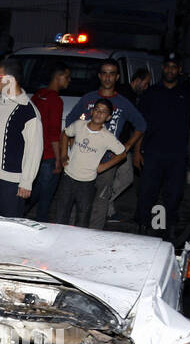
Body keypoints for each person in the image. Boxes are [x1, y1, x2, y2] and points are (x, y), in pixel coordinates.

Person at [65, 60, 145, 228]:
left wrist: (128, 146)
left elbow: (141, 124)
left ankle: (94, 237)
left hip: (106, 162)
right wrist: (72, 143)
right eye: (105, 73)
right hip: (82, 161)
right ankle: (71, 234)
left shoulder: (123, 102)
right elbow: (71, 120)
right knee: (76, 201)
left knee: (101, 201)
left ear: (117, 77)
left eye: (112, 73)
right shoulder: (89, 98)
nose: (108, 77)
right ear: (100, 76)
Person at [134, 52, 190, 241]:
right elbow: (141, 124)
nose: (170, 70)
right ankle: (143, 227)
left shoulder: (187, 93)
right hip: (153, 151)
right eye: (167, 66)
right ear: (163, 69)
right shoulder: (151, 92)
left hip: (178, 153)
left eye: (174, 67)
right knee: (148, 191)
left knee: (174, 193)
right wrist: (137, 151)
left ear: (179, 70)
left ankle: (166, 228)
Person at [0, 59, 43, 217]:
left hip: (10, 183)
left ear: (10, 79)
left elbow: (34, 149)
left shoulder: (27, 111)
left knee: (10, 228)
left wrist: (26, 182)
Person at [54, 98, 126, 226]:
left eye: (104, 112)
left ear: (108, 117)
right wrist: (64, 154)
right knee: (61, 214)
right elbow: (65, 134)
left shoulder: (107, 137)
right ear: (92, 112)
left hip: (87, 183)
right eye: (97, 109)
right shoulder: (79, 125)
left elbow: (122, 153)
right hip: (68, 177)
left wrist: (103, 166)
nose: (99, 113)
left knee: (82, 218)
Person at [29, 61, 69, 223]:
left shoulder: (37, 95)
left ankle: (19, 214)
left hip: (36, 152)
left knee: (37, 190)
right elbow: (54, 132)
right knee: (46, 198)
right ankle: (41, 227)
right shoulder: (55, 100)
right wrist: (59, 159)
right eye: (67, 77)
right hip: (48, 155)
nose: (69, 81)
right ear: (58, 78)